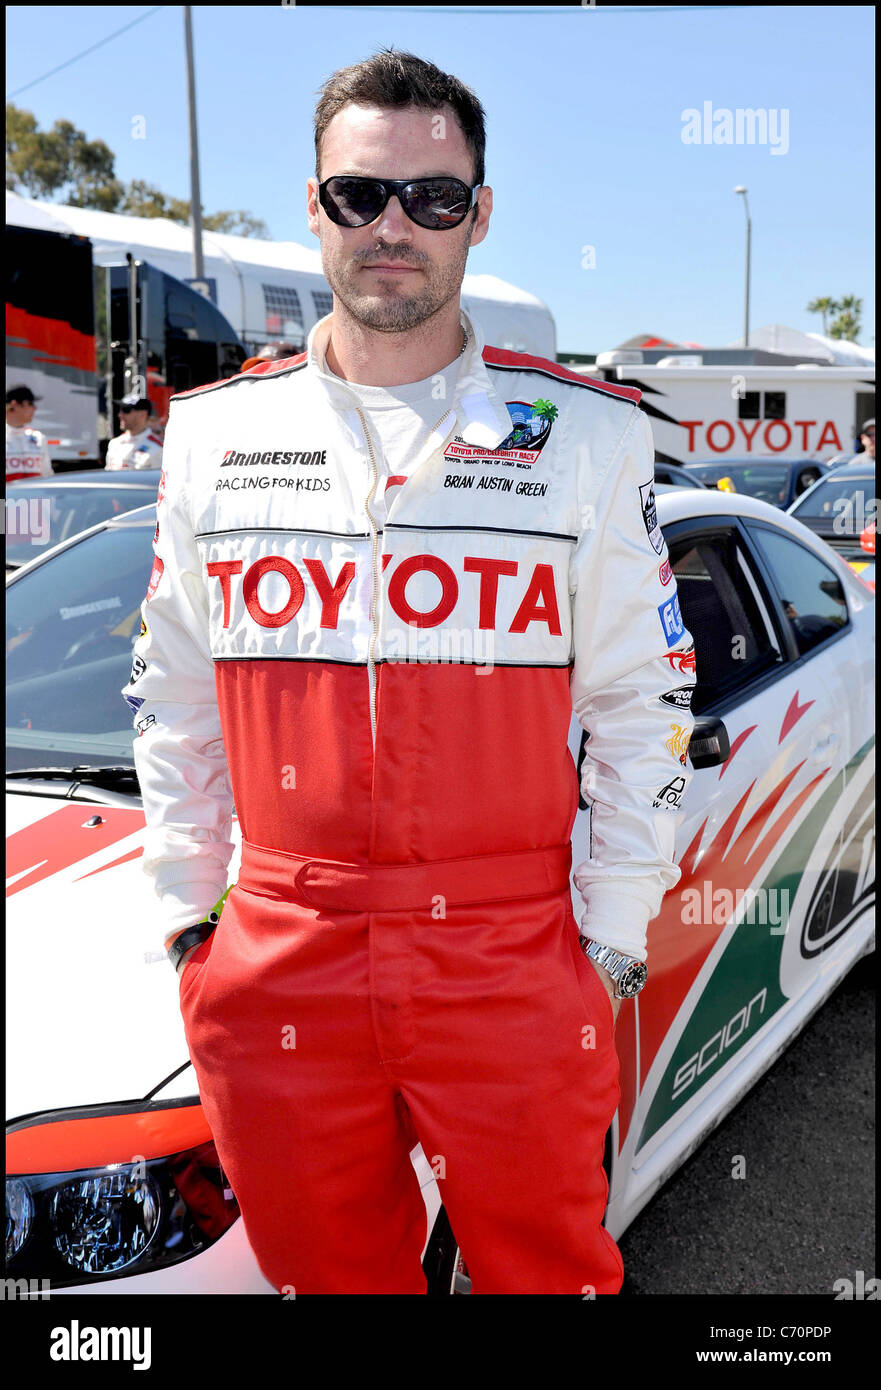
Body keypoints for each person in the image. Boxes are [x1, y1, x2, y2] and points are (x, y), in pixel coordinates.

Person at [122, 48, 696, 1296]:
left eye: (434, 199)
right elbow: (173, 697)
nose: (395, 228)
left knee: (552, 1278)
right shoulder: (215, 432)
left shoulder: (584, 434)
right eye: (359, 196)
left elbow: (641, 706)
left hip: (509, 948)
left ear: (478, 215)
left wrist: (601, 946)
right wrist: (187, 916)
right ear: (314, 202)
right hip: (280, 941)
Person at [105, 393, 164, 469]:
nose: (120, 415)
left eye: (126, 410)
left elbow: (157, 479)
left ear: (142, 414)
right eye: (120, 410)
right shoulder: (114, 443)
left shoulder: (157, 448)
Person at [6, 385, 52, 481]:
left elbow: (47, 476)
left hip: (35, 496)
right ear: (15, 405)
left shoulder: (38, 438)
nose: (35, 408)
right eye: (30, 403)